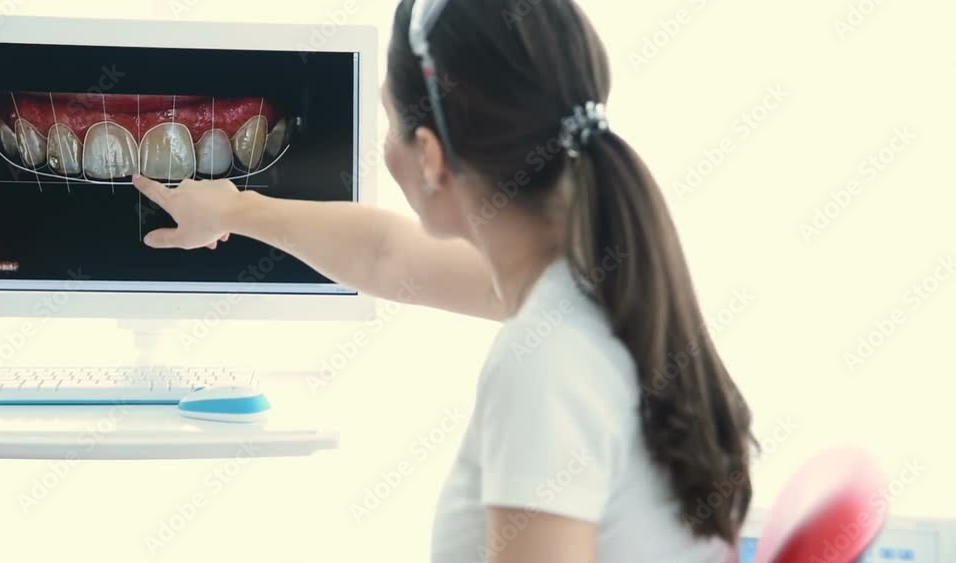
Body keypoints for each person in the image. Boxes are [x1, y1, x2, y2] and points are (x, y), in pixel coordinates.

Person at [132, 0, 756, 561]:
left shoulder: (547, 362)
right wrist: (235, 210)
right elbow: (386, 256)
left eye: (389, 124)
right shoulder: (597, 284)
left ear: (428, 156)